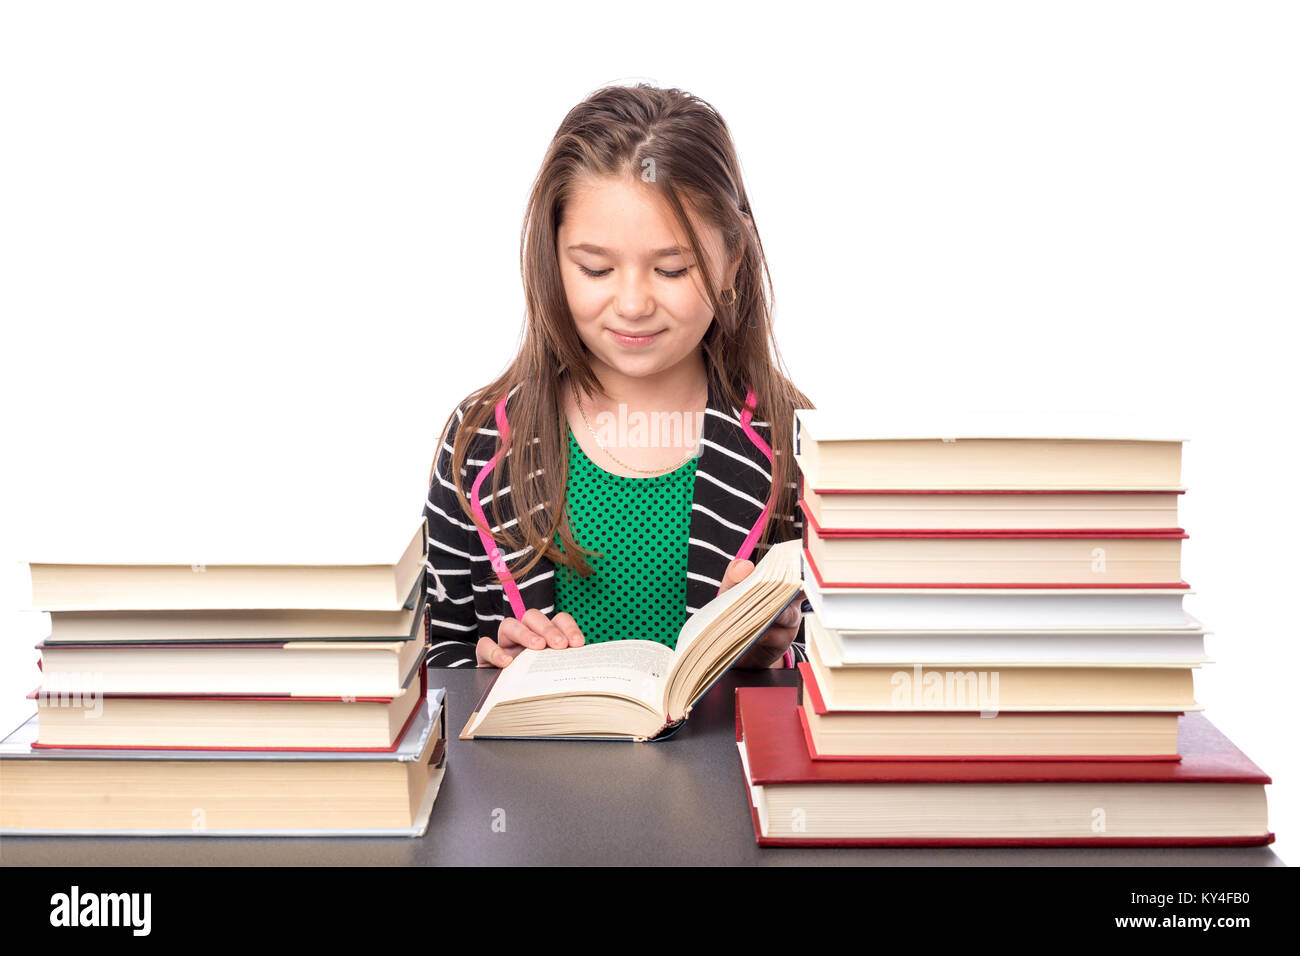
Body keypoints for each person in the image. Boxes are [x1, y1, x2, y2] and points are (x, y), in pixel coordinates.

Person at [423, 84, 813, 669]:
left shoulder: (797, 444)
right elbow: (432, 666)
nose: (632, 303)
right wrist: (483, 671)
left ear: (732, 259)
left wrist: (773, 657)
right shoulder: (477, 441)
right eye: (596, 268)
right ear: (553, 261)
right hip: (533, 763)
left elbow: (842, 671)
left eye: (672, 268)